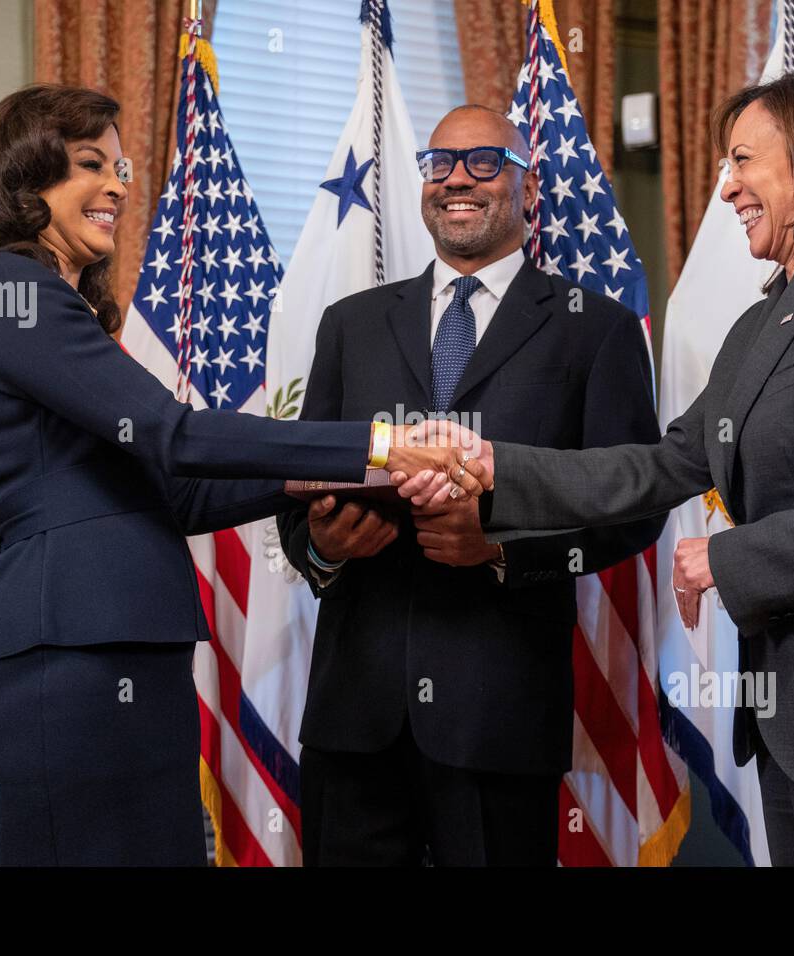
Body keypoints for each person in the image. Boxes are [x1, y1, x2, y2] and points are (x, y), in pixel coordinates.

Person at [409, 66, 794, 866]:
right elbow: (661, 465)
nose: (725, 188)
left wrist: (731, 556)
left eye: (743, 161)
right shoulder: (764, 320)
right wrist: (492, 462)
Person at [0, 84, 476, 866]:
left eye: (122, 166)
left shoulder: (44, 305)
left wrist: (341, 481)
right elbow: (174, 435)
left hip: (114, 644)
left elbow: (174, 491)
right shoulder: (12, 296)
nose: (120, 184)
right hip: (71, 650)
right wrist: (382, 446)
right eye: (92, 163)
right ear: (27, 174)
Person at [276, 105, 665, 866]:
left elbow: (635, 505)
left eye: (485, 161)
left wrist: (500, 552)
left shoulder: (597, 331)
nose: (456, 178)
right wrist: (322, 546)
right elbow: (299, 484)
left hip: (499, 719)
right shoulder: (348, 325)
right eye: (439, 163)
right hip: (353, 718)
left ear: (527, 189)